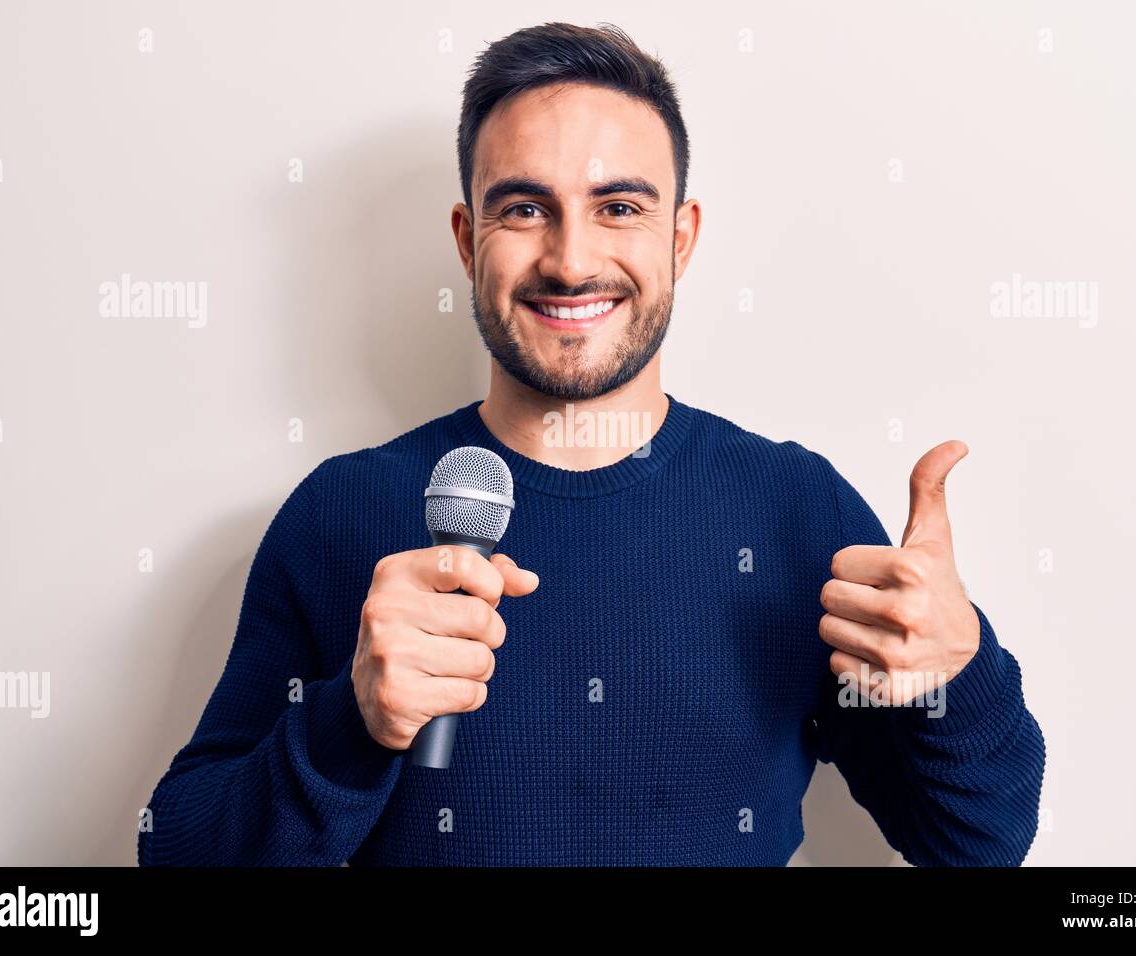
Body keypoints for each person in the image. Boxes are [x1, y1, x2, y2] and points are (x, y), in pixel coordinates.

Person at [139, 21, 1045, 867]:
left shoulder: (795, 510)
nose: (571, 261)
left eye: (618, 207)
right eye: (525, 209)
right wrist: (351, 722)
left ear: (680, 240)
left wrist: (955, 675)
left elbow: (980, 840)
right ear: (467, 242)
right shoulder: (340, 514)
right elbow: (174, 850)